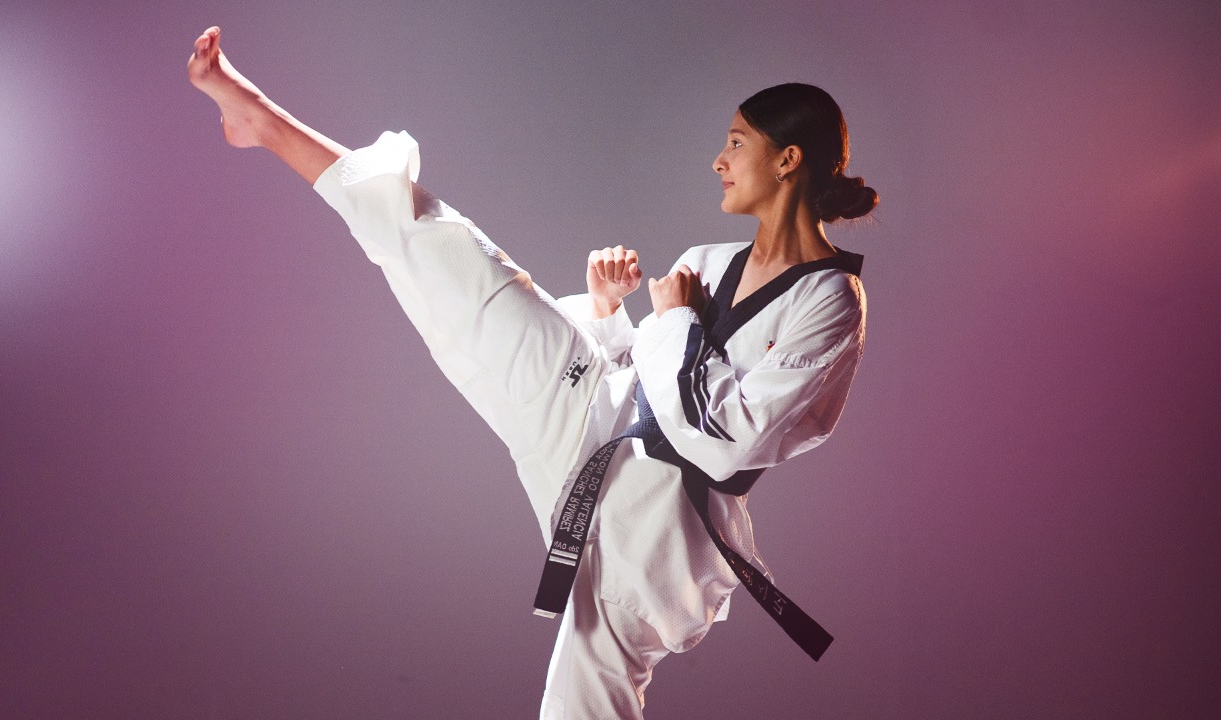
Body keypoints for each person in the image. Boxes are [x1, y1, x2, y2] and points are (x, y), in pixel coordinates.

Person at [188, 25, 877, 719]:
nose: (719, 160)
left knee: (580, 705)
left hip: (657, 526)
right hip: (593, 409)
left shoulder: (831, 301)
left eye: (736, 142)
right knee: (452, 255)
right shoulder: (707, 261)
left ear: (787, 159)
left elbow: (732, 438)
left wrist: (675, 321)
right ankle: (262, 122)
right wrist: (609, 312)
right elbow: (654, 376)